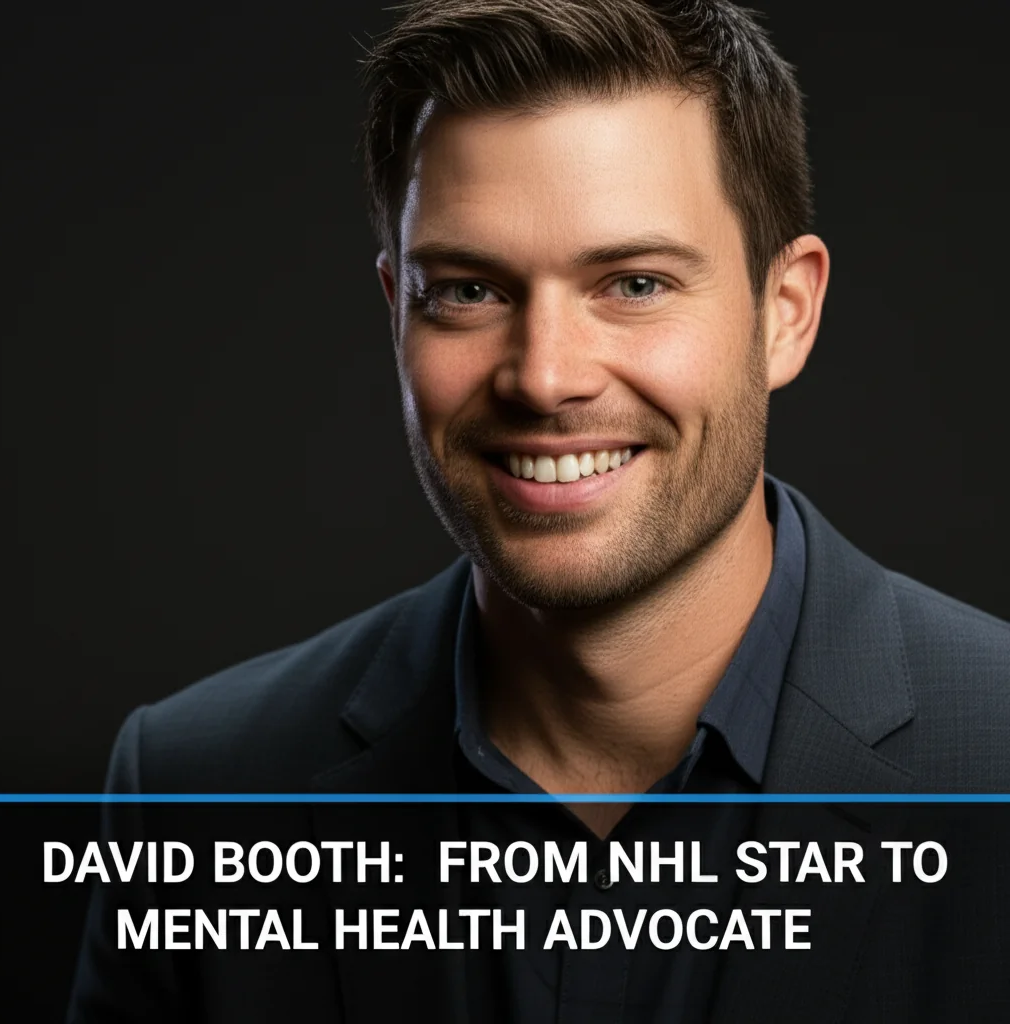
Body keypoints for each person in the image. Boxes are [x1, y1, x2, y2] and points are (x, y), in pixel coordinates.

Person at [69, 1, 1010, 1021]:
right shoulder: (201, 794)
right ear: (395, 312)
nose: (544, 377)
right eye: (467, 292)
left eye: (635, 282)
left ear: (785, 313)